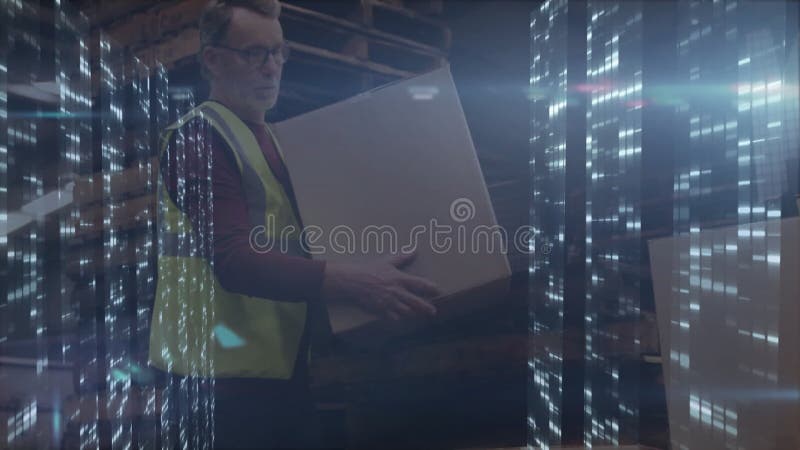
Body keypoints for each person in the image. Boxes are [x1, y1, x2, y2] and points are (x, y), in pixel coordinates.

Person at [147, 0, 441, 448]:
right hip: (214, 388)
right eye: (254, 54)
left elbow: (302, 246)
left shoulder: (276, 143)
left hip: (277, 378)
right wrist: (353, 285)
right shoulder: (199, 140)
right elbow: (233, 260)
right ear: (212, 59)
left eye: (279, 52)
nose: (271, 68)